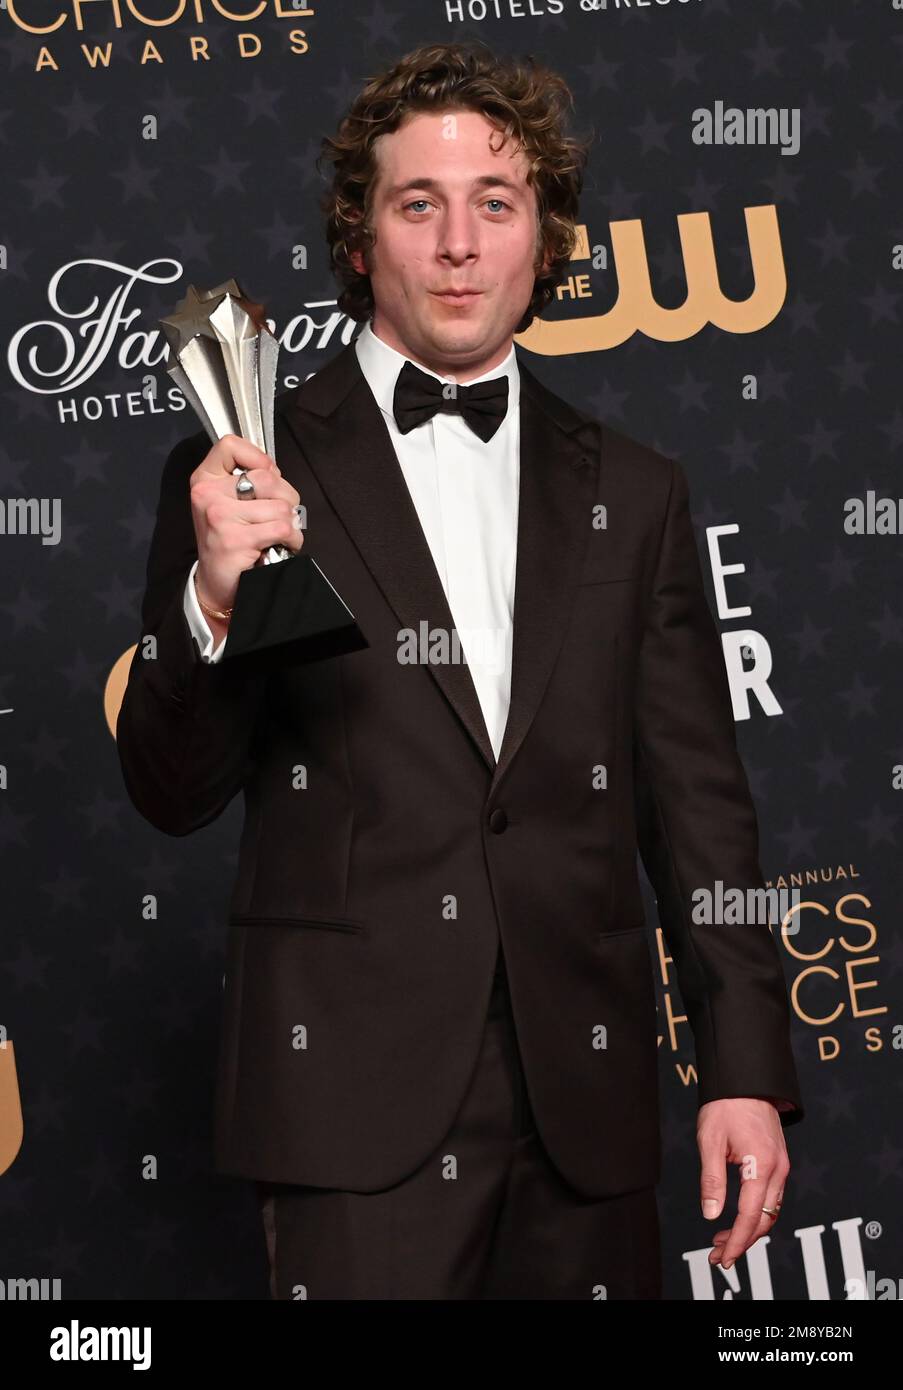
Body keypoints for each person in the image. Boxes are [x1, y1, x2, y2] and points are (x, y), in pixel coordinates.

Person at [116, 40, 804, 1300]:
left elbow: (702, 808)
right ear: (360, 235)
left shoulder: (638, 492)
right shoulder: (248, 460)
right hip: (348, 1098)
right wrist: (211, 595)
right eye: (417, 204)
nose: (459, 244)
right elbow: (171, 789)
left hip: (582, 1103)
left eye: (497, 204)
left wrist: (745, 1065)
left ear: (545, 241)